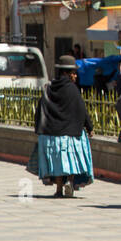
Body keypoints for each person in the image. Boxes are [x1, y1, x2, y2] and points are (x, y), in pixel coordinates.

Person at [33, 54, 94, 198]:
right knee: (70, 159)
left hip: (51, 134)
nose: (75, 76)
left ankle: (59, 189)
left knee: (58, 162)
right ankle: (70, 182)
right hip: (70, 133)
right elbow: (82, 110)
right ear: (65, 73)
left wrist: (39, 129)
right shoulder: (72, 89)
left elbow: (41, 108)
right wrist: (89, 127)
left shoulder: (49, 88)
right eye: (73, 73)